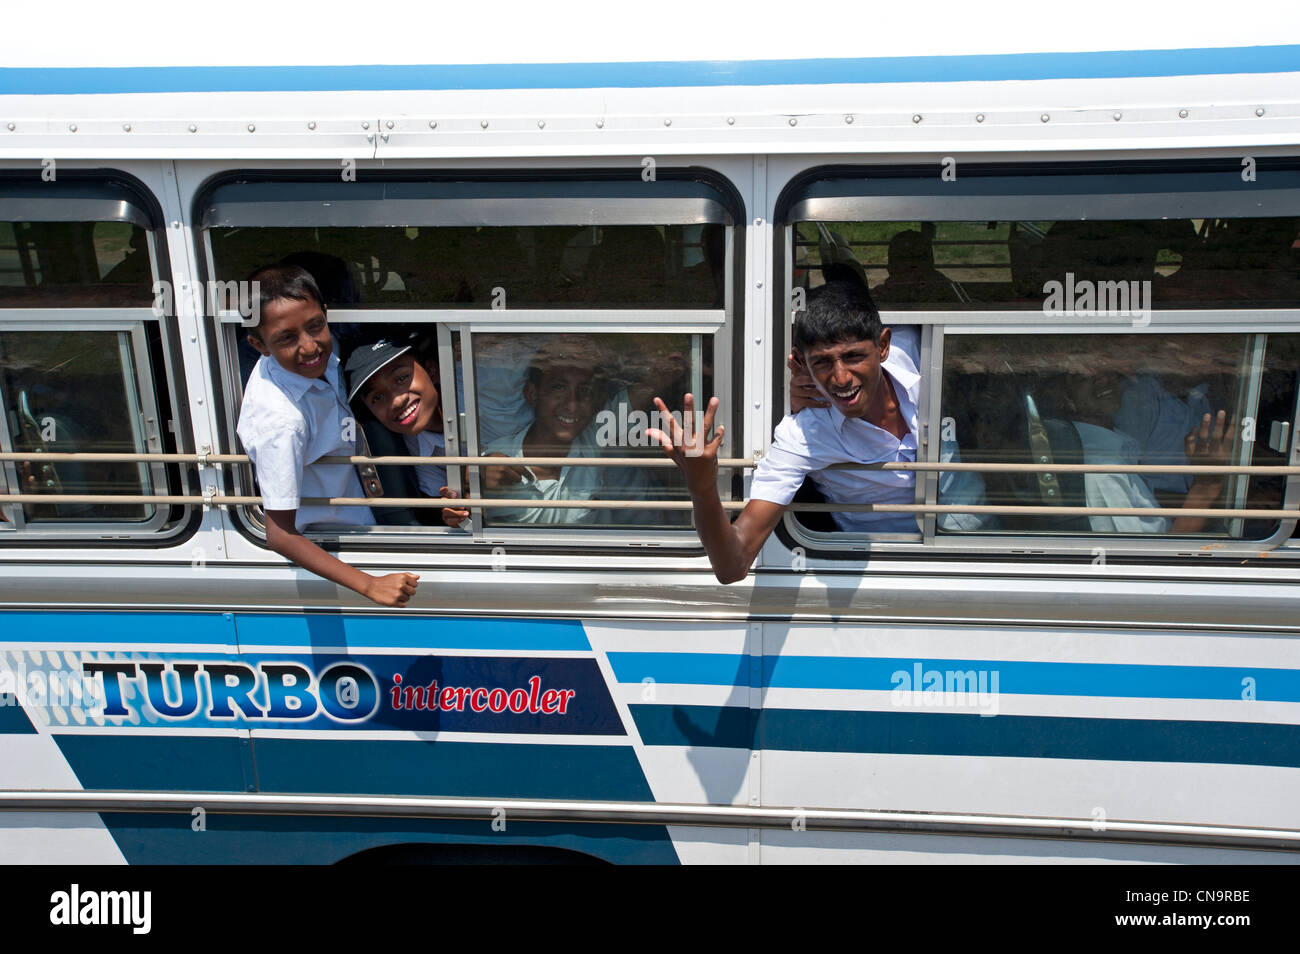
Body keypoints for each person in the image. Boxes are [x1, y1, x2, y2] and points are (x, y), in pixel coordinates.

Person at [649, 280, 988, 583]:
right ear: (800, 364)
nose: (841, 378)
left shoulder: (919, 353)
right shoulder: (803, 435)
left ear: (883, 346)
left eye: (854, 356)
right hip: (879, 564)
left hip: (985, 541)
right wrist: (702, 486)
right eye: (823, 362)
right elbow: (732, 565)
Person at [235, 264, 419, 607]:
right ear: (259, 345)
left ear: (326, 315)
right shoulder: (280, 422)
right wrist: (369, 585)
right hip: (339, 541)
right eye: (287, 339)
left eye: (315, 327)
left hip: (368, 497)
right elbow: (280, 534)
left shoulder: (325, 352)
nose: (309, 347)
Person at [482, 336, 654, 525]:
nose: (572, 405)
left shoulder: (593, 437)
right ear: (532, 394)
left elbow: (652, 384)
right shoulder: (497, 462)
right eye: (559, 388)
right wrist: (478, 479)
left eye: (585, 390)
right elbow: (462, 511)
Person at [344, 333, 469, 528]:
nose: (396, 400)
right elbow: (450, 499)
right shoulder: (414, 449)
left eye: (402, 378)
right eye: (377, 398)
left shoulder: (473, 393)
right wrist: (454, 513)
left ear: (432, 370)